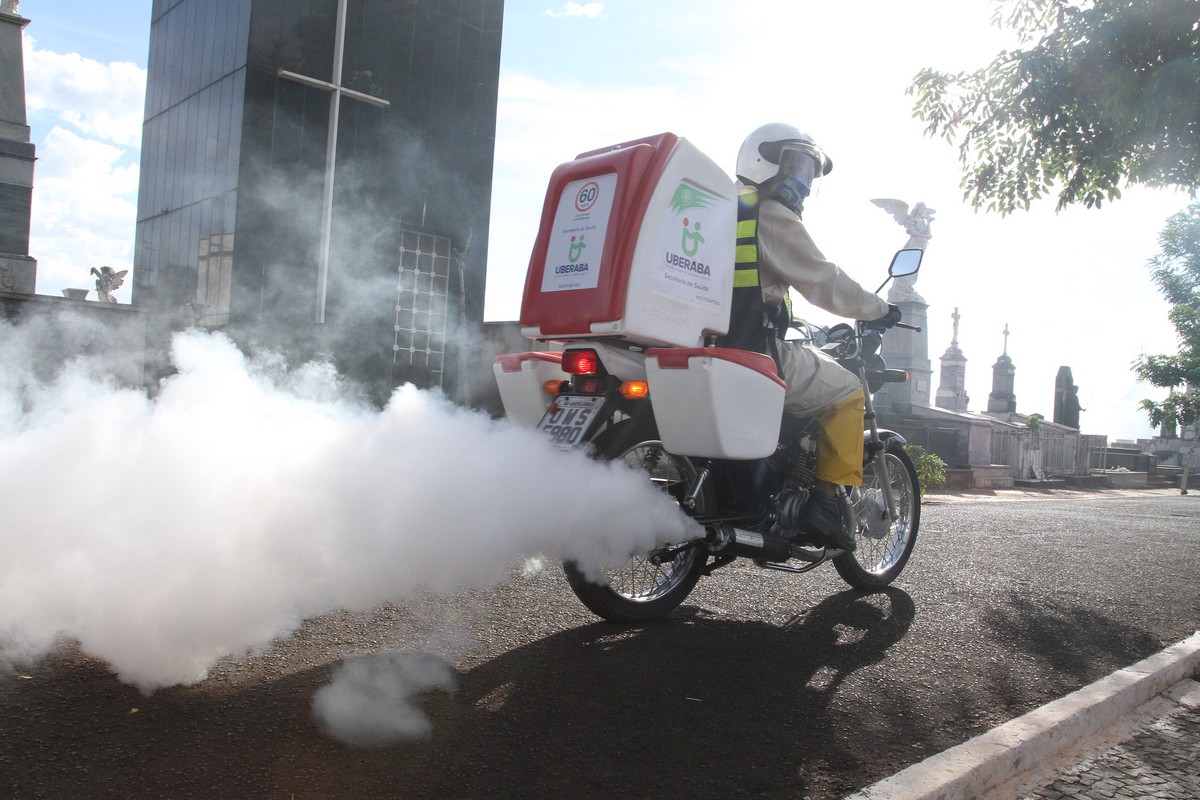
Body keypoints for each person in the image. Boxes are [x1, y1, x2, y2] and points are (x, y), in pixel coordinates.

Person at [722, 122, 901, 551]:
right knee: (848, 391)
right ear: (763, 160)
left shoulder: (716, 206)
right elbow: (824, 282)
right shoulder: (767, 213)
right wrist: (879, 309)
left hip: (703, 345)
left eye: (808, 173)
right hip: (751, 350)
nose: (801, 182)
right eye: (796, 166)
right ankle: (822, 502)